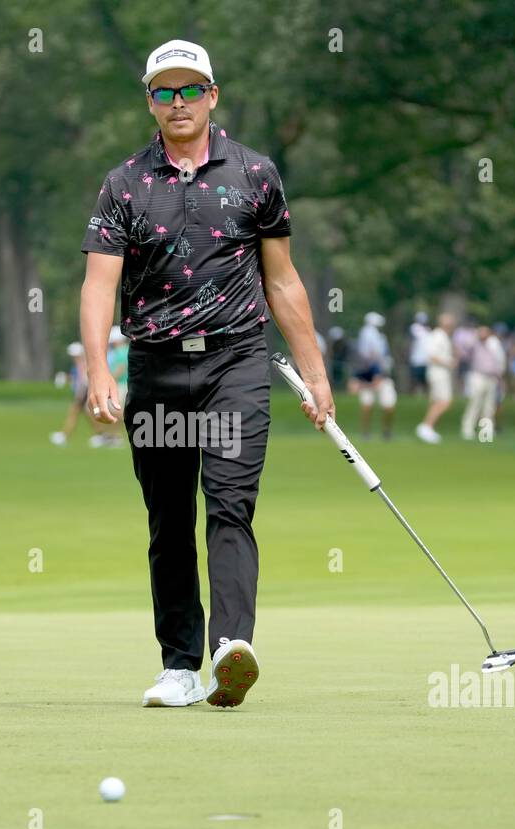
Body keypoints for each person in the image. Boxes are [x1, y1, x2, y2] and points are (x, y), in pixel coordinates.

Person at [80, 39, 329, 709]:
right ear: (150, 103)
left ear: (213, 96)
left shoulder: (254, 174)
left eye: (191, 89)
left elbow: (284, 283)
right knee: (167, 520)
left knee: (229, 505)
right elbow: (99, 285)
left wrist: (315, 371)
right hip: (158, 369)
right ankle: (179, 666)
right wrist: (99, 367)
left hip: (236, 362)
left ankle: (229, 651)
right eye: (165, 92)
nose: (179, 102)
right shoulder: (123, 183)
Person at [352, 311, 397, 439]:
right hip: (368, 379)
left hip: (381, 378)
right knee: (367, 406)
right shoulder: (367, 334)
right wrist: (367, 384)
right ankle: (365, 433)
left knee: (388, 406)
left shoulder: (379, 337)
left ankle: (386, 432)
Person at [416, 312, 457, 444]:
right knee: (445, 401)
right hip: (438, 372)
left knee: (437, 401)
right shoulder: (438, 335)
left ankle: (429, 427)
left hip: (440, 372)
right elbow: (432, 356)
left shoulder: (443, 336)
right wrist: (448, 362)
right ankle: (426, 426)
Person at [460, 325, 505, 440]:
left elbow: (499, 360)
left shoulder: (493, 344)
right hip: (478, 376)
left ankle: (486, 431)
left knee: (489, 406)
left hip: (492, 377)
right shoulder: (475, 344)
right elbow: (465, 349)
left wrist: (500, 376)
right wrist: (476, 336)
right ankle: (467, 428)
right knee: (475, 403)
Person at [50, 342, 91, 446]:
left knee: (73, 414)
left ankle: (64, 435)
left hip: (83, 392)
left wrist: (80, 395)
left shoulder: (82, 364)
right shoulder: (80, 363)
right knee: (88, 415)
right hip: (83, 392)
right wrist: (66, 378)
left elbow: (83, 381)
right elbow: (76, 378)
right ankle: (103, 435)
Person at [408, 312, 431, 396]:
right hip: (416, 357)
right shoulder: (414, 328)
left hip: (426, 358)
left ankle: (425, 395)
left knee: (425, 378)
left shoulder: (428, 330)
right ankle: (415, 394)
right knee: (415, 378)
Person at [328, 326, 348, 391]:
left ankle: (340, 388)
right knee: (335, 377)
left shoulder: (343, 345)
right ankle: (334, 388)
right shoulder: (334, 345)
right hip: (335, 362)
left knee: (340, 377)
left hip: (340, 362)